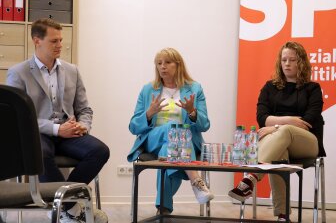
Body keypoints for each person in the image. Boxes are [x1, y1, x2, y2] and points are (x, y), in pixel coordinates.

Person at [6, 18, 110, 223]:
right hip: (39, 134)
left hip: (69, 133)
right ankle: (71, 207)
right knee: (40, 154)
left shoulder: (72, 70)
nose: (60, 45)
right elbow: (18, 119)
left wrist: (83, 125)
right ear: (37, 41)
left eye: (61, 40)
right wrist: (56, 129)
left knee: (100, 151)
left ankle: (63, 204)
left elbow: (84, 109)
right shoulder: (18, 73)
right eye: (54, 41)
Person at [228, 41, 325, 221]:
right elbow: (261, 117)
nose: (287, 64)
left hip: (307, 143)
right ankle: (283, 214)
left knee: (286, 131)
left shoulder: (313, 89)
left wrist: (275, 126)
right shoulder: (269, 87)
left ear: (301, 62)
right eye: (284, 60)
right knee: (279, 153)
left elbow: (307, 121)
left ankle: (251, 178)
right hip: (278, 140)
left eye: (292, 60)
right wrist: (286, 122)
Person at [127, 48, 214, 214]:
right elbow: (133, 126)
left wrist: (192, 112)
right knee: (172, 128)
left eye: (167, 62)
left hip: (182, 145)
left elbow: (205, 125)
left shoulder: (195, 89)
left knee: (169, 151)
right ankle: (196, 181)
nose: (162, 67)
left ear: (178, 65)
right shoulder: (148, 90)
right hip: (153, 139)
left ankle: (163, 209)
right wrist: (149, 113)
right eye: (159, 63)